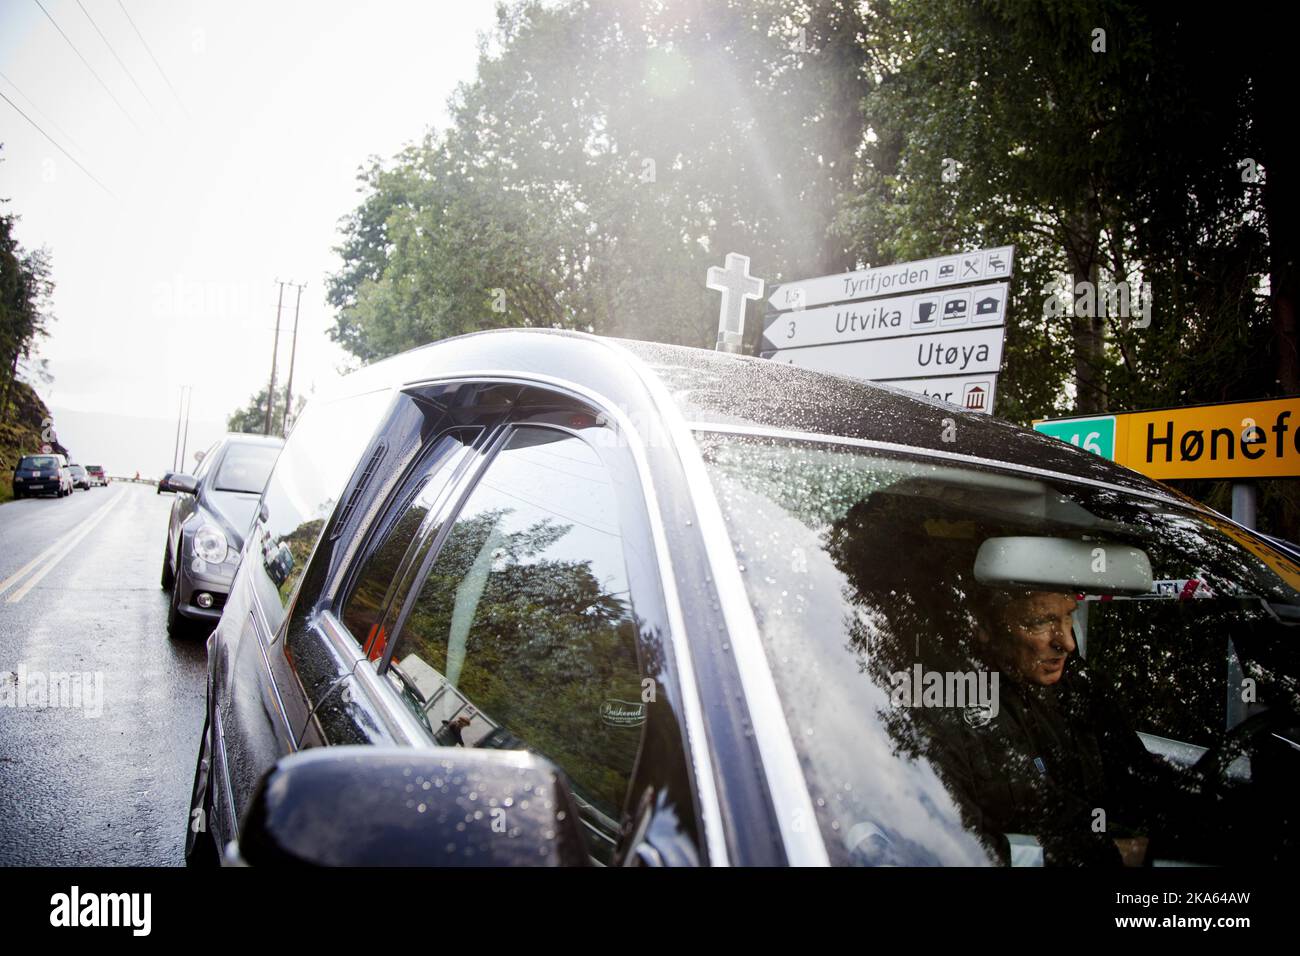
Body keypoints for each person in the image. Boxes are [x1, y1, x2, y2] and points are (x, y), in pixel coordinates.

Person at [924, 587, 1178, 866]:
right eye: (1040, 622)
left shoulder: (1079, 686)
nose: (1066, 643)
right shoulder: (954, 709)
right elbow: (967, 847)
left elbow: (1138, 778)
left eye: (1068, 616)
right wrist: (1113, 856)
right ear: (984, 627)